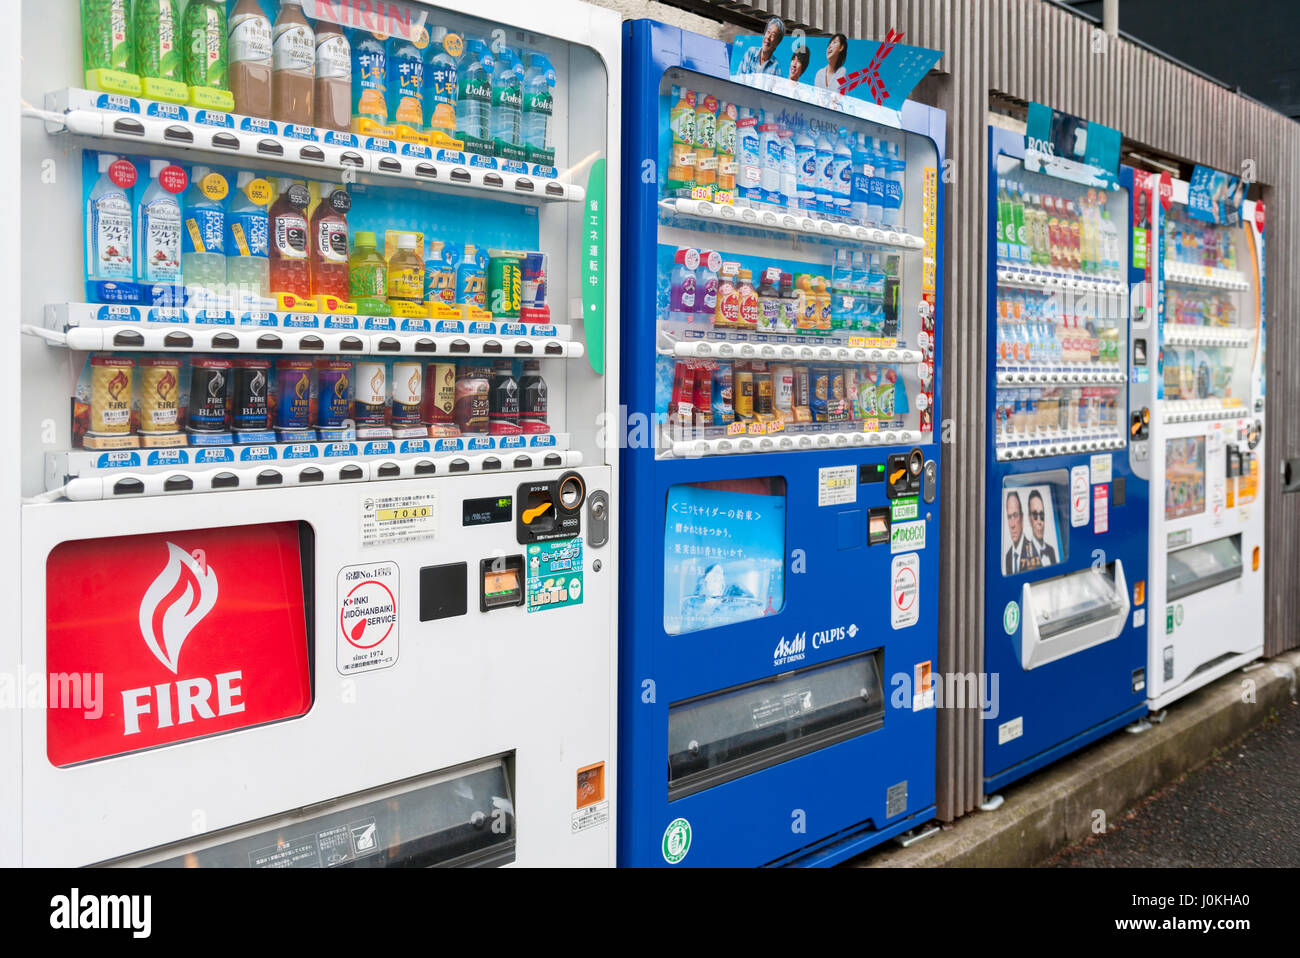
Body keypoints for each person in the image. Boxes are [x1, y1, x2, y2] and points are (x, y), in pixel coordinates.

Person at [1026, 490, 1057, 566]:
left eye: (1042, 515)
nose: (1039, 521)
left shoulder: (1051, 550)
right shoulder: (1024, 555)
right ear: (1029, 519)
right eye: (1035, 515)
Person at [1004, 491, 1024, 574]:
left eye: (1015, 516)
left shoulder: (1034, 550)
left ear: (1022, 518)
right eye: (1009, 517)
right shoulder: (1008, 556)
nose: (1012, 525)